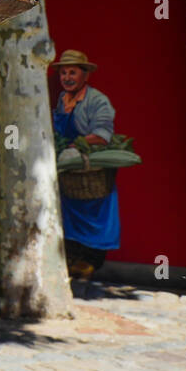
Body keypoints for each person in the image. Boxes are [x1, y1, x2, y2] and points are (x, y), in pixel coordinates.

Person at [51, 50, 119, 280]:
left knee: (94, 215)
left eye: (73, 72)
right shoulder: (62, 100)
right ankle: (72, 259)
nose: (67, 77)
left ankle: (91, 261)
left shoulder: (98, 100)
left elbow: (102, 134)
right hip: (70, 174)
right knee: (69, 213)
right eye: (64, 73)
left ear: (85, 75)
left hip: (92, 172)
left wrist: (76, 143)